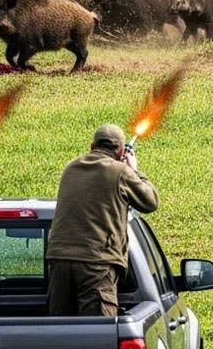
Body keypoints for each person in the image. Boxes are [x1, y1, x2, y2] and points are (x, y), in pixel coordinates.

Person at [47, 124, 159, 316]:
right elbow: (150, 202)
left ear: (92, 146)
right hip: (96, 262)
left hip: (59, 260)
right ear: (121, 150)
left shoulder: (70, 167)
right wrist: (134, 170)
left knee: (60, 327)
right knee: (98, 330)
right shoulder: (122, 172)